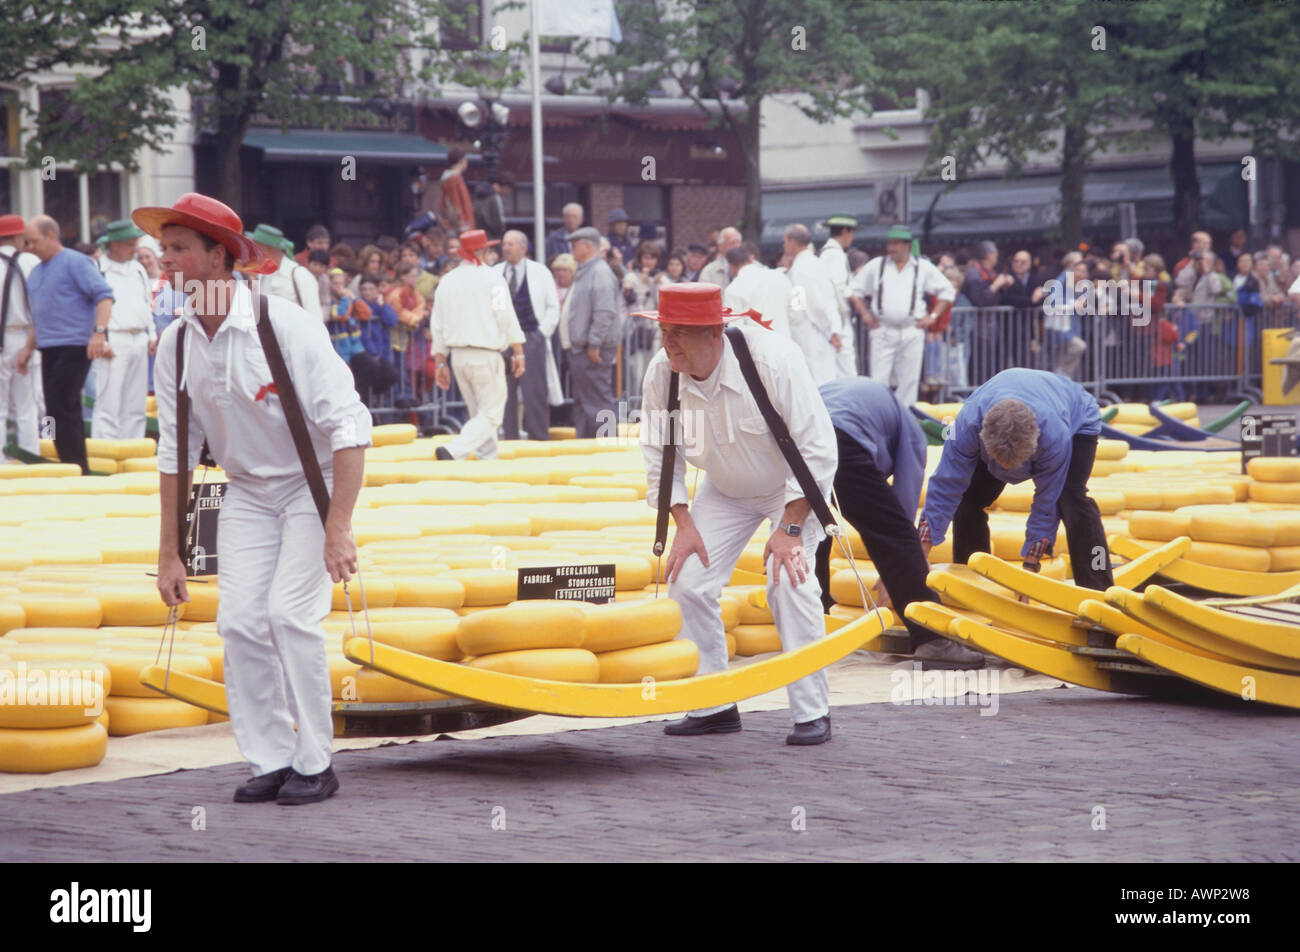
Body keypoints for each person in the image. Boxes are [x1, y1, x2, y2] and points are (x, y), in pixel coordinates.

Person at [142, 192, 371, 805]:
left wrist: (338, 527)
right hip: (245, 491)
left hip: (310, 485)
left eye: (178, 249)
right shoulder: (177, 343)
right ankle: (270, 757)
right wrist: (171, 553)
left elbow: (351, 428)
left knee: (289, 616)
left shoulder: (285, 324)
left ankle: (315, 761)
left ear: (219, 257)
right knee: (239, 622)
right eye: (163, 249)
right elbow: (175, 454)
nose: (165, 262)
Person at [638, 283, 838, 745]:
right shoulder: (662, 374)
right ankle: (713, 704)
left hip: (791, 488)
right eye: (664, 330)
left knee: (787, 579)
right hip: (724, 490)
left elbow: (818, 449)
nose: (669, 342)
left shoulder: (773, 361)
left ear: (715, 334)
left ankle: (813, 712)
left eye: (680, 333)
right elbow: (658, 452)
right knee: (686, 580)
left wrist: (790, 528)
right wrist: (683, 524)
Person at [815, 376, 984, 668]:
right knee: (894, 534)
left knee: (814, 528)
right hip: (840, 437)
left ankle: (811, 625)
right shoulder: (913, 435)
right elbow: (901, 513)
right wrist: (904, 563)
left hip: (800, 431)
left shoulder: (872, 404)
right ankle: (932, 638)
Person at [919, 368, 1113, 591]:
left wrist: (1030, 568)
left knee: (1071, 499)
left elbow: (1046, 504)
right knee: (967, 497)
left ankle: (1097, 587)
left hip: (1078, 418)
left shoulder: (1055, 438)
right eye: (1000, 464)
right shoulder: (966, 426)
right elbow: (946, 484)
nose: (1006, 471)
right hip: (1002, 418)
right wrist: (920, 553)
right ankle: (972, 578)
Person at [24, 215, 114, 472]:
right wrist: (27, 349)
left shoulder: (76, 262)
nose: (30, 248)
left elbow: (104, 296)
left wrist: (99, 333)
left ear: (52, 236)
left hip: (74, 344)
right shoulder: (36, 272)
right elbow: (39, 316)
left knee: (63, 403)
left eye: (34, 242)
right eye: (27, 243)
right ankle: (71, 463)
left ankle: (76, 465)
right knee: (55, 408)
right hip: (48, 346)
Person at [429, 230, 523, 459]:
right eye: (489, 250)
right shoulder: (492, 277)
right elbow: (505, 315)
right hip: (485, 353)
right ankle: (455, 449)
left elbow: (437, 324)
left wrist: (440, 362)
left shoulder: (447, 281)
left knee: (479, 414)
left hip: (458, 356)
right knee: (491, 414)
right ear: (482, 251)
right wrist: (519, 352)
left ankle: (487, 459)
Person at [853, 225, 955, 404]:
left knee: (909, 380)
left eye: (896, 244)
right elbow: (854, 290)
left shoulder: (922, 267)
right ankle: (880, 416)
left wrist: (931, 317)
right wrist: (866, 314)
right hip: (883, 329)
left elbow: (948, 291)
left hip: (911, 329)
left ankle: (905, 420)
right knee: (879, 379)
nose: (891, 247)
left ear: (907, 245)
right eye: (890, 243)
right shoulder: (877, 265)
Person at [91, 219, 157, 439]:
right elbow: (92, 308)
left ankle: (133, 450)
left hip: (139, 338)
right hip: (113, 339)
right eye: (130, 244)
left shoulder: (138, 268)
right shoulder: (98, 268)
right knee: (108, 401)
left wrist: (152, 334)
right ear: (115, 245)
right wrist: (101, 338)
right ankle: (106, 453)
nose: (135, 249)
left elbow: (147, 303)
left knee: (135, 403)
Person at [495, 229, 559, 441]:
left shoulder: (540, 272)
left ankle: (539, 439)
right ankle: (510, 439)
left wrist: (541, 334)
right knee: (505, 393)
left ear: (523, 248)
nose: (506, 248)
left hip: (532, 337)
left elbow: (552, 306)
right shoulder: (495, 273)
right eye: (504, 244)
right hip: (503, 341)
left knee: (535, 392)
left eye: (510, 244)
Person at [566, 226, 622, 439]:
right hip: (584, 347)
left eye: (575, 244)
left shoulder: (599, 273)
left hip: (593, 349)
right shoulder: (588, 271)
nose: (571, 248)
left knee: (597, 401)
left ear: (588, 246)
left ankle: (608, 449)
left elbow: (605, 312)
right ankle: (587, 446)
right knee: (585, 403)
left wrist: (594, 343)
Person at [0, 214, 41, 457]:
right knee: (27, 406)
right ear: (18, 236)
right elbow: (42, 307)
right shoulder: (30, 262)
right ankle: (29, 459)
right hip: (26, 336)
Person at [783, 224, 841, 385]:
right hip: (817, 328)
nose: (784, 246)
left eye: (785, 242)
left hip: (813, 331)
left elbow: (811, 305)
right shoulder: (814, 263)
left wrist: (830, 332)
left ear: (792, 241)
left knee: (817, 379)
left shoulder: (801, 268)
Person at [246, 224, 321, 320]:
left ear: (269, 249)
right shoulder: (262, 275)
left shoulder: (300, 274)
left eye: (256, 248)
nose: (252, 253)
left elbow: (315, 317)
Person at [723, 244, 793, 339]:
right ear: (751, 259)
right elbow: (796, 311)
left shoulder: (733, 289)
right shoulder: (780, 277)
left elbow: (734, 328)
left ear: (730, 266)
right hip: (786, 343)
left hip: (757, 348)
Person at [819, 215, 859, 378]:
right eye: (852, 232)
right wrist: (859, 304)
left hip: (833, 319)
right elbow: (839, 288)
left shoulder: (826, 253)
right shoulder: (835, 255)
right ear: (845, 231)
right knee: (847, 369)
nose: (853, 237)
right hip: (838, 319)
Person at [437, 147, 475, 232]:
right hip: (460, 225)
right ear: (461, 160)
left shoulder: (451, 178)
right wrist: (464, 225)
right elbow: (456, 203)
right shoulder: (454, 179)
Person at [474, 171, 514, 242]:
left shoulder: (481, 195)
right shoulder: (495, 198)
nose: (508, 194)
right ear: (506, 187)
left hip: (479, 236)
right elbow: (497, 223)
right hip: (491, 239)